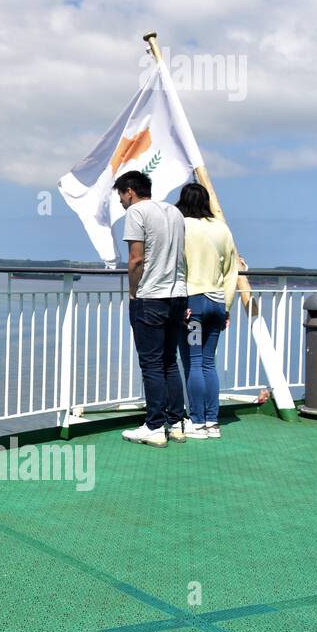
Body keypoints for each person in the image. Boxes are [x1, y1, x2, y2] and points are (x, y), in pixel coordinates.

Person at [115, 170, 188, 447]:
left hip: (150, 297)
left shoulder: (135, 213)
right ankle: (177, 423)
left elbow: (136, 259)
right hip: (177, 296)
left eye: (121, 196)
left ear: (130, 191)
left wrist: (133, 292)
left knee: (151, 364)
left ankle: (154, 426)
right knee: (170, 361)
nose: (122, 202)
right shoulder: (175, 212)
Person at [175, 182, 238, 439]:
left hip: (193, 304)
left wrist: (180, 305)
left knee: (194, 362)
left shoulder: (182, 227)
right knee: (209, 362)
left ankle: (197, 421)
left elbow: (177, 265)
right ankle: (212, 422)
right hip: (217, 302)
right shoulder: (222, 229)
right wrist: (227, 307)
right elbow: (231, 271)